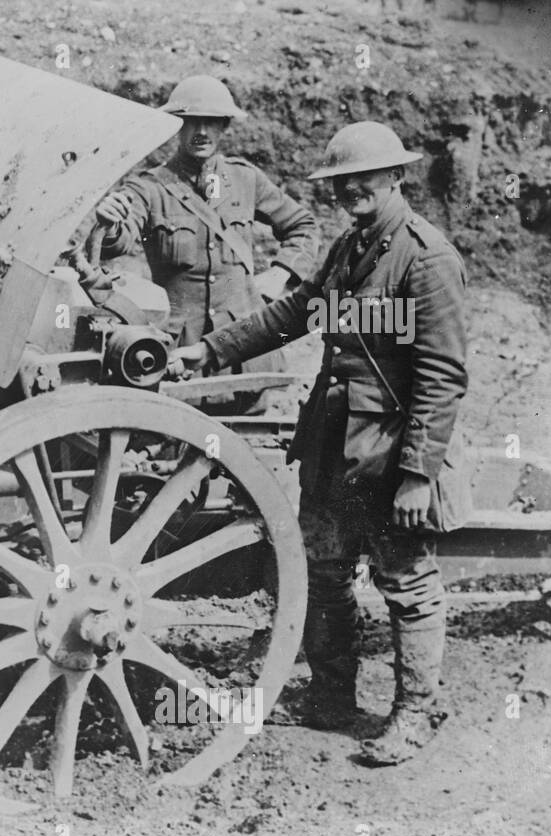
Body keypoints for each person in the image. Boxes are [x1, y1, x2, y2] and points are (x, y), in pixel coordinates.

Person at [169, 121, 472, 766]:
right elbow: (297, 311)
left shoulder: (427, 258)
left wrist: (419, 475)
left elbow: (442, 376)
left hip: (390, 452)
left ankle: (414, 714)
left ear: (396, 177)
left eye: (363, 178)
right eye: (340, 181)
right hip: (333, 444)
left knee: (406, 581)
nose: (350, 189)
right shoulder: (348, 247)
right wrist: (211, 349)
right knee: (323, 571)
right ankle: (332, 697)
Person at [80, 75, 319, 378]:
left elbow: (303, 225)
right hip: (180, 354)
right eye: (192, 121)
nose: (202, 131)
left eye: (211, 121)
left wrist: (281, 273)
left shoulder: (245, 179)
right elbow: (118, 241)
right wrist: (109, 223)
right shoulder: (149, 188)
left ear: (224, 125)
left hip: (244, 350)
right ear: (176, 125)